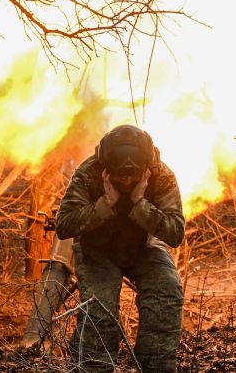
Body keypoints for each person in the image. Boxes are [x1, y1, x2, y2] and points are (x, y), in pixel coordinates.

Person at [55, 124, 185, 372]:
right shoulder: (88, 172)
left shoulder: (161, 174)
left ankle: (156, 367)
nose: (126, 180)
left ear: (146, 169)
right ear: (106, 168)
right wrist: (107, 203)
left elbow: (175, 232)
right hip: (97, 250)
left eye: (132, 176)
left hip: (144, 247)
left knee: (166, 289)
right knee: (99, 308)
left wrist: (139, 202)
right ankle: (93, 368)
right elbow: (64, 225)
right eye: (120, 176)